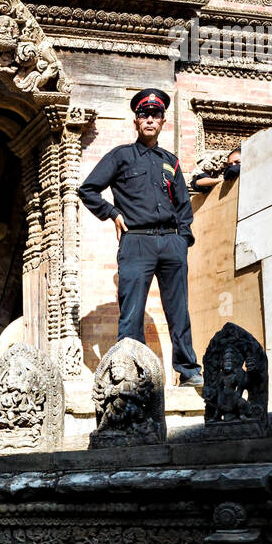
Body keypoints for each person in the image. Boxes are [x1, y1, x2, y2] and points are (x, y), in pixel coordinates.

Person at [78, 88, 203, 387]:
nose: (149, 119)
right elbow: (88, 189)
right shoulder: (121, 156)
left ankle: (188, 371)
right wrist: (111, 212)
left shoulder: (170, 162)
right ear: (136, 121)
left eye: (155, 115)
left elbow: (184, 206)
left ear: (162, 121)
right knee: (131, 311)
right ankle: (128, 374)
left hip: (171, 243)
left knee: (178, 310)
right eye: (144, 115)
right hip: (136, 241)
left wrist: (182, 240)